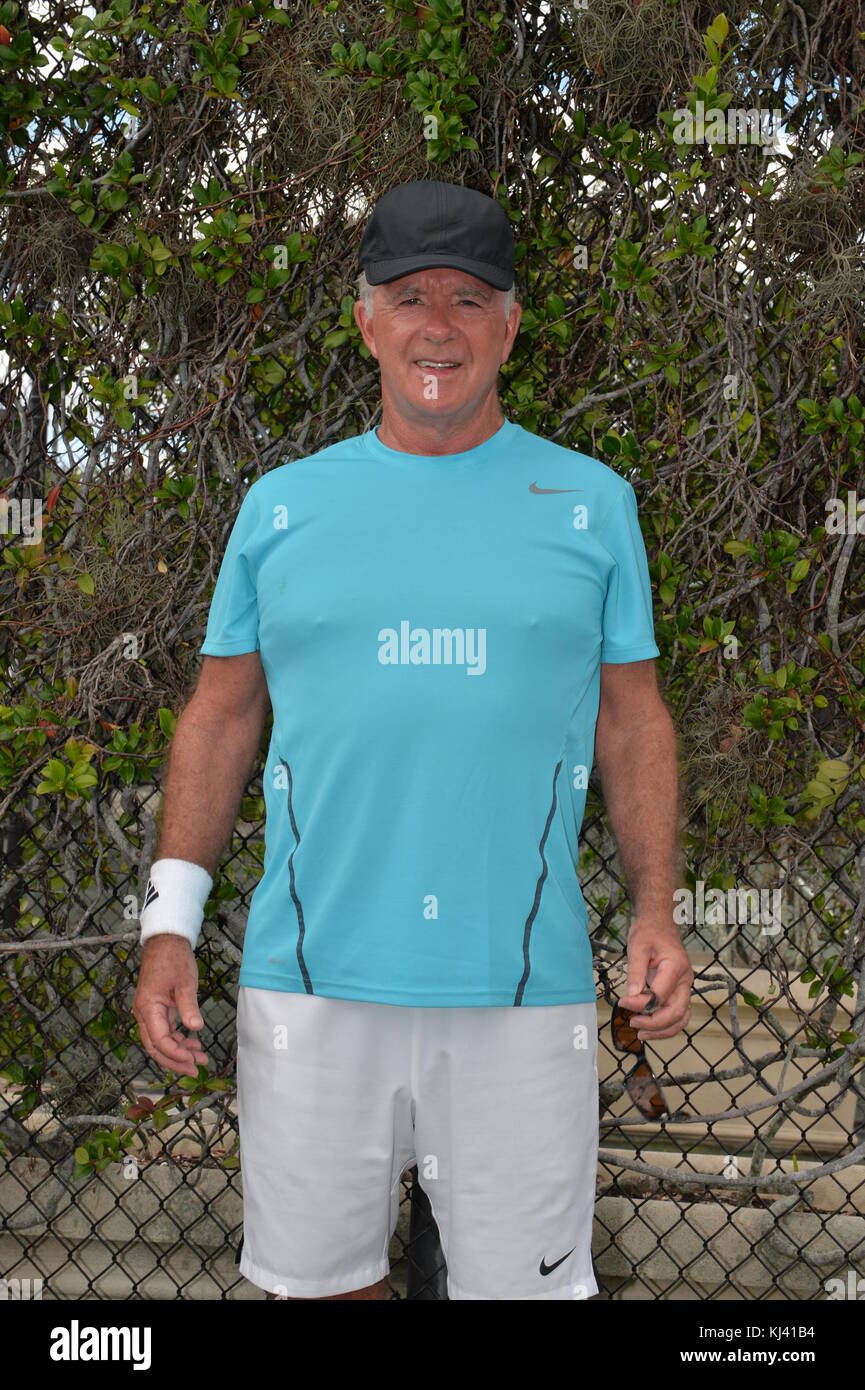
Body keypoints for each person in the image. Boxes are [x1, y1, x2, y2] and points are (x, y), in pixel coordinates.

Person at [132, 179, 693, 1301]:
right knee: (321, 1286)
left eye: (470, 298)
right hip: (309, 983)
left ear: (511, 324)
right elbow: (221, 713)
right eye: (409, 296)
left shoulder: (589, 503)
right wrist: (169, 924)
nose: (438, 325)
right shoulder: (281, 506)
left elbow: (631, 716)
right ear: (365, 321)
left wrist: (653, 908)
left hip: (521, 989)